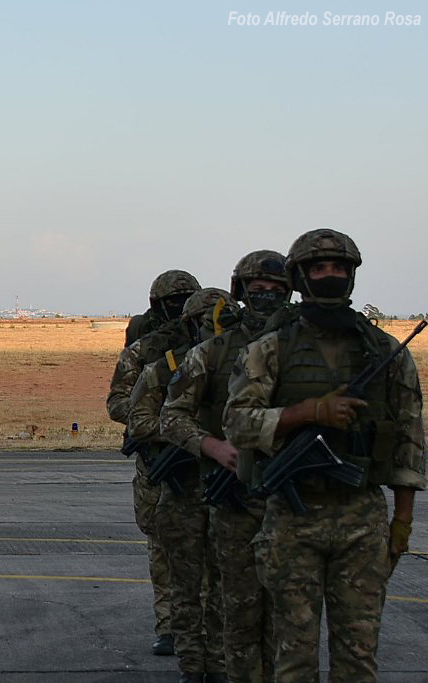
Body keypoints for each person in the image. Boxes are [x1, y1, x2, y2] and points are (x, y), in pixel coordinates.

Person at [224, 228, 426, 683]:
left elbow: (409, 440)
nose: (330, 275)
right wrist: (308, 412)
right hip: (292, 522)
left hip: (362, 519)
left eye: (339, 267)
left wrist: (402, 523)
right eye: (319, 268)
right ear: (302, 276)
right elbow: (237, 423)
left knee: (358, 659)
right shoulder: (270, 348)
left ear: (352, 276)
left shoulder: (386, 351)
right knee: (293, 660)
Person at [160, 251, 290, 683]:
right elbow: (171, 416)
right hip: (233, 495)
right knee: (235, 610)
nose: (267, 297)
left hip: (295, 500)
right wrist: (213, 447)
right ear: (239, 291)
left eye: (277, 290)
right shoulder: (210, 353)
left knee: (289, 617)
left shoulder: (302, 346)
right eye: (257, 289)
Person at [129, 288, 234, 683]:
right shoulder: (167, 365)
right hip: (183, 484)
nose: (216, 330)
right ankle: (192, 664)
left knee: (230, 585)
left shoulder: (249, 363)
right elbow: (138, 419)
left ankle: (222, 664)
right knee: (187, 584)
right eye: (207, 323)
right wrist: (191, 437)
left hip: (231, 488)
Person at [107, 269, 200, 656]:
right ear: (158, 307)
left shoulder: (213, 350)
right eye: (172, 304)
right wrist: (161, 417)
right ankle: (170, 626)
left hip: (199, 462)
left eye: (186, 303)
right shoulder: (144, 351)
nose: (179, 311)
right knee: (161, 545)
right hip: (157, 460)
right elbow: (117, 404)